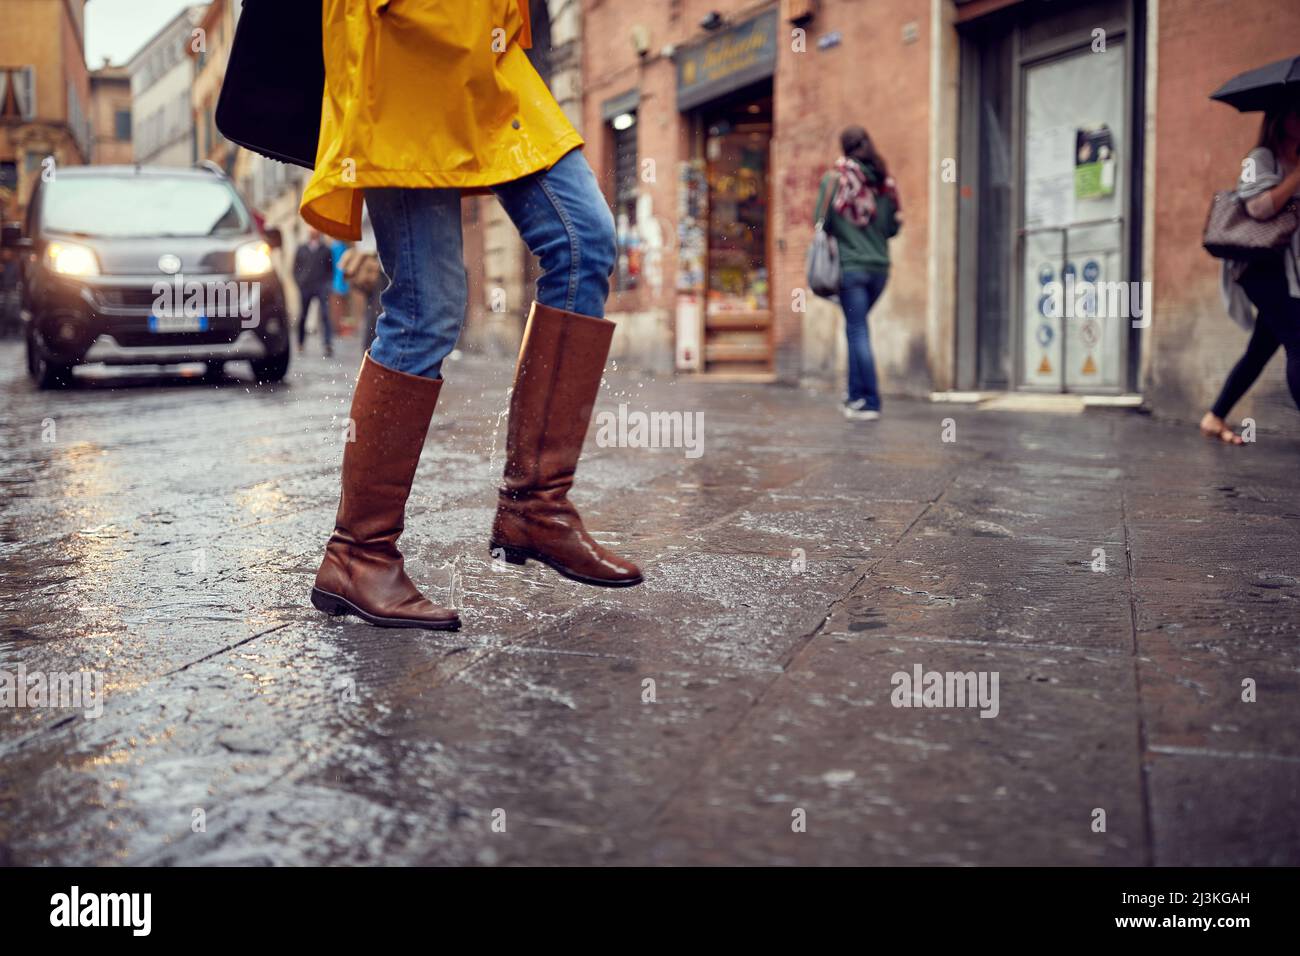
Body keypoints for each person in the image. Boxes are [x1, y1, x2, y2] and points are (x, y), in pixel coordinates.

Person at [299, 0, 642, 632]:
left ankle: (535, 507)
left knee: (585, 241)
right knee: (427, 305)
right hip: (402, 53)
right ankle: (359, 553)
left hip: (489, 53)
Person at [1202, 101, 1300, 444]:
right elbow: (1258, 208)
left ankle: (1214, 416)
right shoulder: (1258, 159)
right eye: (1295, 111)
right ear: (1279, 118)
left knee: (1262, 347)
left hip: (1291, 269)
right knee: (1298, 342)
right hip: (1262, 268)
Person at [813, 125, 902, 421]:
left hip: (852, 269)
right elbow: (892, 228)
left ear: (844, 147)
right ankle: (855, 396)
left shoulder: (835, 180)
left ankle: (870, 401)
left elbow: (821, 223)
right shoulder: (883, 183)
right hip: (880, 270)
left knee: (857, 330)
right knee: (856, 327)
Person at [292, 229, 335, 356]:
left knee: (326, 315)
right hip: (305, 286)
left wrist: (327, 285)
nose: (313, 231)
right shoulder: (301, 248)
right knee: (303, 315)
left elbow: (330, 270)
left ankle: (327, 344)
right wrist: (299, 282)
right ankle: (300, 343)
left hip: (321, 286)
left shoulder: (326, 249)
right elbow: (294, 268)